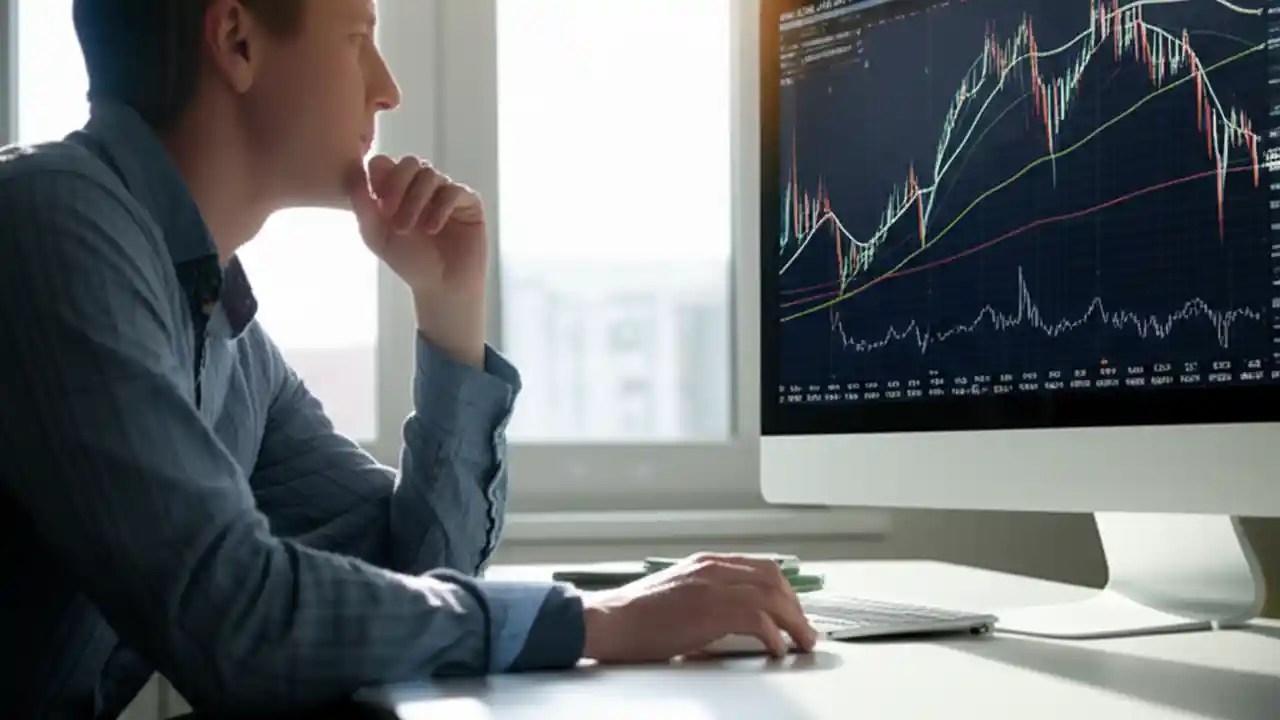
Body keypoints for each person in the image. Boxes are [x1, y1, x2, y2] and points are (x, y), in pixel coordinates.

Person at [0, 0, 818, 717]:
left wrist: (449, 314)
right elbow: (234, 619)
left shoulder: (228, 339)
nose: (386, 86)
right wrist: (593, 622)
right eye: (358, 35)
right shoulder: (51, 227)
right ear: (238, 42)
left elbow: (418, 571)